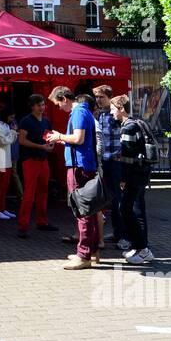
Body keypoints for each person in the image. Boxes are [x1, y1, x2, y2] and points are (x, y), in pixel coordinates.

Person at [113, 94, 156, 264]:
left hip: (133, 176)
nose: (111, 114)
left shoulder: (128, 128)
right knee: (132, 210)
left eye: (112, 109)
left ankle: (143, 249)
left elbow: (127, 156)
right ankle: (140, 248)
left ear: (121, 109)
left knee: (126, 210)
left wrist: (122, 178)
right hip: (141, 174)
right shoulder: (137, 123)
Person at [60, 91, 101, 270]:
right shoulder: (85, 112)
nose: (59, 108)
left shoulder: (78, 112)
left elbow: (78, 138)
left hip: (79, 168)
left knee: (82, 211)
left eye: (58, 104)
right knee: (89, 210)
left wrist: (59, 137)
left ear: (64, 99)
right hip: (85, 165)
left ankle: (83, 254)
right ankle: (92, 252)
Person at [16, 94, 58, 238]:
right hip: (30, 160)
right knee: (29, 194)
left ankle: (42, 221)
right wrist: (41, 147)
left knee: (43, 192)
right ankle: (23, 226)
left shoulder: (46, 121)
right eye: (39, 105)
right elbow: (22, 140)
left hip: (43, 160)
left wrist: (50, 145)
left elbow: (48, 137)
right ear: (32, 106)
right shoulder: (26, 121)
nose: (42, 107)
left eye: (43, 104)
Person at [92, 84, 124, 245]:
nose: (98, 100)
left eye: (101, 97)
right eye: (96, 97)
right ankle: (117, 232)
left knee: (117, 198)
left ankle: (121, 234)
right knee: (108, 198)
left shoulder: (114, 114)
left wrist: (120, 157)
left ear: (109, 97)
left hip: (114, 160)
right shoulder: (100, 115)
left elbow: (122, 137)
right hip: (103, 160)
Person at [0, 105, 17, 220]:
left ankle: (2, 208)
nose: (12, 120)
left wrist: (12, 133)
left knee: (4, 185)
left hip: (6, 157)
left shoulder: (5, 125)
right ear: (5, 116)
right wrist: (13, 132)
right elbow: (4, 141)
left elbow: (11, 141)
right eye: (11, 117)